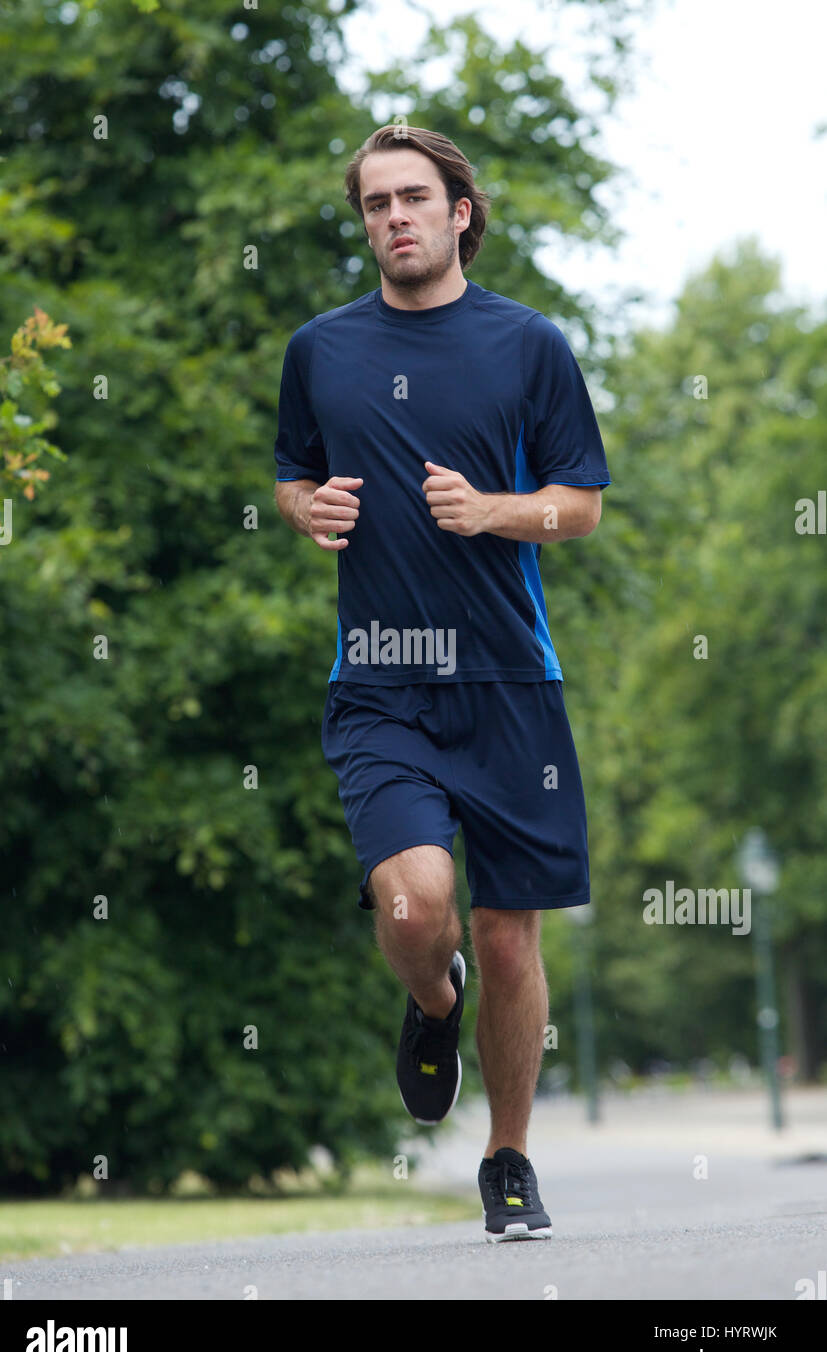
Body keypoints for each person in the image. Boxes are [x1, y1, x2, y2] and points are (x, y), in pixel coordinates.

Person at [274, 125, 611, 1242]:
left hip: (511, 681)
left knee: (513, 935)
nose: (393, 220)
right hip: (379, 681)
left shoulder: (528, 346)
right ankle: (431, 997)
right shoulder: (319, 348)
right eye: (374, 205)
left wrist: (491, 511)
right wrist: (305, 508)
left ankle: (506, 1159)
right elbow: (293, 474)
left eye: (413, 198)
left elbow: (580, 505)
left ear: (460, 210)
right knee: (416, 903)